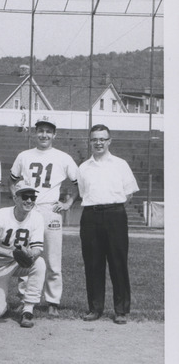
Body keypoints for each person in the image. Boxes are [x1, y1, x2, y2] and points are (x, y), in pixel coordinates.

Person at [9, 116, 79, 317]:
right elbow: (12, 180)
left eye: (48, 131)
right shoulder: (24, 156)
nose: (44, 135)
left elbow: (78, 183)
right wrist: (17, 199)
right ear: (35, 132)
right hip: (30, 208)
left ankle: (53, 300)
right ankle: (25, 298)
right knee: (26, 254)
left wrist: (67, 203)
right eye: (40, 130)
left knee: (53, 257)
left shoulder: (63, 157)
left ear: (54, 134)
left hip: (51, 209)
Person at [77, 124, 138, 324]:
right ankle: (95, 308)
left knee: (118, 263)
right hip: (91, 216)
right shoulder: (84, 167)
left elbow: (128, 194)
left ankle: (121, 310)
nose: (98, 142)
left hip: (115, 216)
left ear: (109, 141)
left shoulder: (120, 164)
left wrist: (112, 208)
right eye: (95, 139)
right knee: (93, 263)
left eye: (102, 139)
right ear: (90, 141)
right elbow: (83, 193)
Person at [0, 179, 45, 328]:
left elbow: (37, 248)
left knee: (39, 263)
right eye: (25, 196)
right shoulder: (1, 215)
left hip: (18, 263)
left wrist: (30, 253)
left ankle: (28, 310)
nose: (29, 200)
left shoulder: (37, 217)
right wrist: (11, 253)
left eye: (32, 197)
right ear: (15, 198)